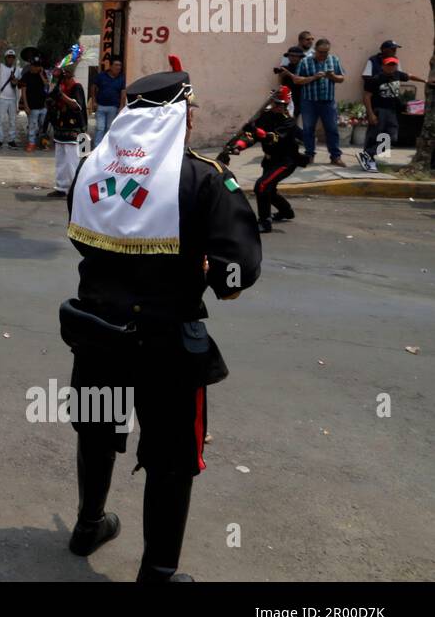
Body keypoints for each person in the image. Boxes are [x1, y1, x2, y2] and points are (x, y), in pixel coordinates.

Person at [61, 58, 261, 582]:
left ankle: (87, 525)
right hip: (167, 345)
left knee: (96, 431)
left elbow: (79, 235)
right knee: (171, 458)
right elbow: (237, 273)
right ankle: (158, 572)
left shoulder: (90, 169)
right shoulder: (205, 178)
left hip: (96, 332)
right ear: (182, 118)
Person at [244, 86, 308, 231]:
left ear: (286, 105)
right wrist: (237, 147)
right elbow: (251, 138)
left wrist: (255, 129)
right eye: (276, 103)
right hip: (269, 160)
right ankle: (286, 211)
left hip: (285, 162)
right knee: (269, 190)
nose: (278, 107)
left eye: (281, 104)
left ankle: (264, 222)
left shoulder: (289, 122)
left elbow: (272, 138)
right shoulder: (265, 116)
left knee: (261, 186)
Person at [362, 57, 425, 173]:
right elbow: (366, 96)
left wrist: (425, 81)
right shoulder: (375, 79)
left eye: (393, 65)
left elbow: (410, 76)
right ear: (383, 66)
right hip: (379, 111)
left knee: (392, 137)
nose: (391, 67)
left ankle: (368, 154)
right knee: (374, 136)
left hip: (392, 111)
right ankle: (368, 159)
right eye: (388, 65)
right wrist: (370, 114)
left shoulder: (397, 75)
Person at [293, 38, 346, 166]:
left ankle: (335, 157)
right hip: (309, 102)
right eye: (321, 52)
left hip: (328, 102)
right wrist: (313, 77)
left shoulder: (334, 60)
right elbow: (296, 80)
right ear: (315, 50)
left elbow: (341, 78)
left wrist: (332, 76)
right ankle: (309, 155)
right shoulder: (305, 61)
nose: (323, 54)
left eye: (326, 52)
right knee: (308, 129)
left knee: (332, 129)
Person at [48, 62, 87, 198]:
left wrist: (61, 95)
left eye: (66, 75)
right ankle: (61, 187)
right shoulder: (60, 86)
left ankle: (75, 189)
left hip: (73, 129)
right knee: (60, 161)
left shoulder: (77, 87)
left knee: (72, 162)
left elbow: (77, 106)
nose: (64, 77)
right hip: (61, 128)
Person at [88, 57, 126, 147]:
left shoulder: (121, 78)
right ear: (111, 66)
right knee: (100, 128)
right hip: (100, 106)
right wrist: (94, 101)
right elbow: (93, 87)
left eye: (120, 65)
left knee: (109, 128)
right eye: (116, 65)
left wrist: (121, 106)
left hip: (113, 107)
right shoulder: (101, 76)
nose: (118, 67)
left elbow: (123, 92)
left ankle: (106, 148)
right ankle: (97, 147)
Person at [19, 54, 50, 153]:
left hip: (43, 105)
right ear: (31, 65)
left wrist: (41, 75)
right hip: (32, 106)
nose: (37, 68)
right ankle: (31, 143)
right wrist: (26, 106)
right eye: (35, 65)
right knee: (32, 126)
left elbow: (46, 84)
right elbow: (23, 92)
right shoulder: (26, 76)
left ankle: (43, 143)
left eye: (38, 66)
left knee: (43, 126)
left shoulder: (42, 74)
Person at [0, 48, 21, 149]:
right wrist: (0, 48)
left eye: (12, 57)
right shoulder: (0, 67)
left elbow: (18, 84)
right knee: (0, 120)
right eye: (9, 57)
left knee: (12, 121)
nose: (10, 59)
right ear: (5, 58)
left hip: (12, 99)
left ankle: (11, 140)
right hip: (2, 98)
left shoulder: (17, 70)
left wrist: (15, 81)